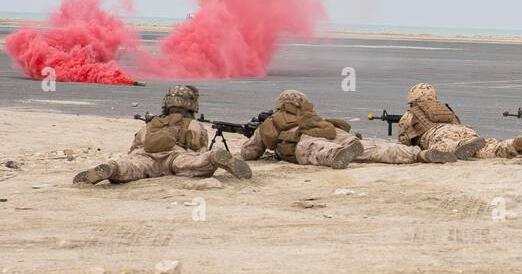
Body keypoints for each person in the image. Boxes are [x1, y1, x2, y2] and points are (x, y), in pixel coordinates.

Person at [74, 85, 253, 185]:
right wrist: (205, 155)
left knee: (130, 167)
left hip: (146, 155)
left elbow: (135, 147)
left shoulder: (152, 124)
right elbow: (198, 148)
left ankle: (111, 168)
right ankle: (214, 158)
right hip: (175, 155)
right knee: (195, 165)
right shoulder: (193, 125)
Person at [240, 90, 455, 167]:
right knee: (372, 148)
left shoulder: (273, 121)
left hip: (301, 139)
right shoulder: (312, 115)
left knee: (319, 149)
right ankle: (420, 155)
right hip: (335, 132)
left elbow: (250, 152)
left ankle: (337, 155)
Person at [399, 83, 522, 160]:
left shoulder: (410, 114)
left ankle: (461, 146)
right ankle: (519, 143)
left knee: (446, 149)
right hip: (464, 130)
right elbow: (456, 124)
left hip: (439, 134)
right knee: (490, 147)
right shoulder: (445, 109)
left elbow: (405, 144)